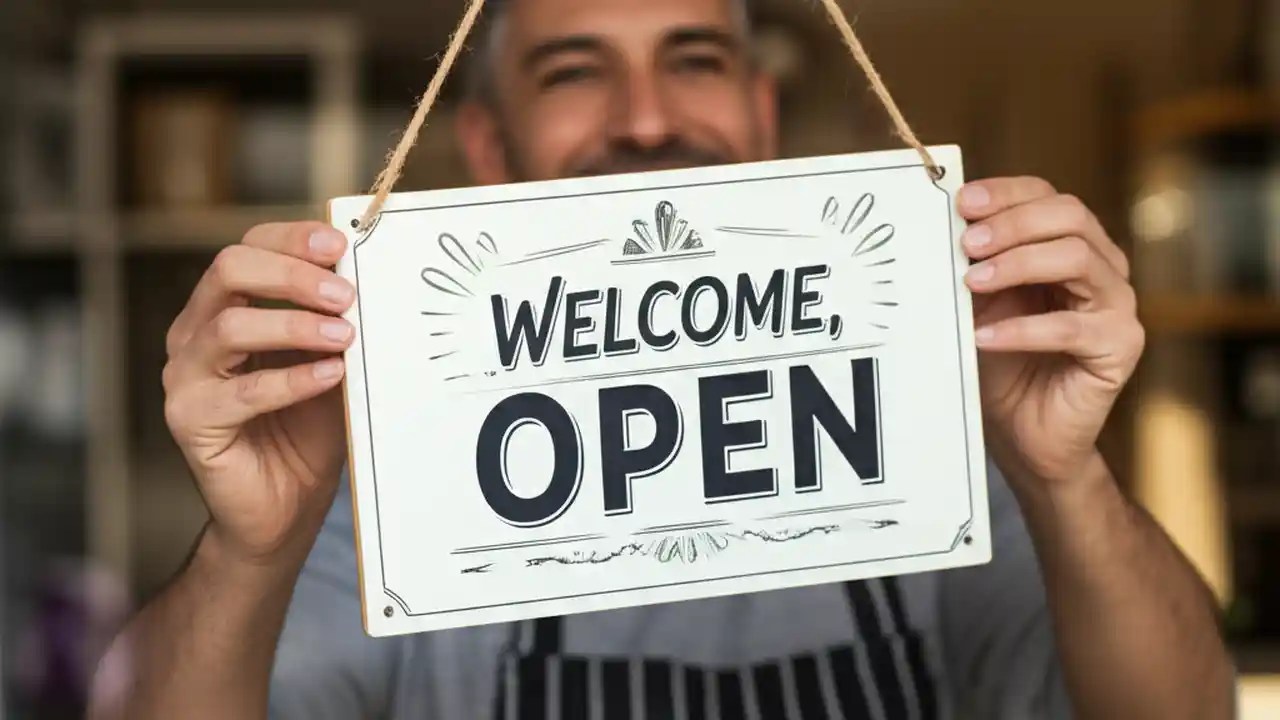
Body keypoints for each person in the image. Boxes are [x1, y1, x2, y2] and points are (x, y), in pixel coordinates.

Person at [88, 0, 1234, 717]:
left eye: (690, 58)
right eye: (574, 70)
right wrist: (250, 550)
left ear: (760, 112)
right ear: (485, 144)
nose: (644, 118)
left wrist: (1064, 477)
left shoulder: (930, 437)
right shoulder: (394, 490)